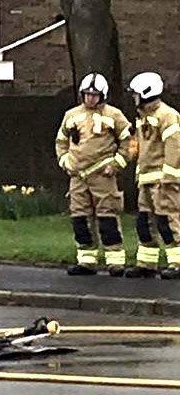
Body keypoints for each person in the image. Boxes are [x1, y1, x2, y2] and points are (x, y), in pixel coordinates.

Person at [54, 73, 132, 276]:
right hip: (78, 177)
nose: (90, 98)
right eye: (87, 94)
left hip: (102, 175)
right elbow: (61, 141)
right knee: (80, 219)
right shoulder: (71, 115)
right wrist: (65, 161)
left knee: (107, 218)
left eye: (94, 95)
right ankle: (86, 261)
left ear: (102, 95)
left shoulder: (114, 115)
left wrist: (117, 164)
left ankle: (115, 262)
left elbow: (129, 143)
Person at [125, 72, 180, 278]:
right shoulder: (143, 117)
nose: (134, 98)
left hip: (162, 180)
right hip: (147, 178)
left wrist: (170, 177)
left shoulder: (167, 115)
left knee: (168, 220)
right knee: (144, 223)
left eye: (136, 94)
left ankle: (177, 263)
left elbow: (175, 147)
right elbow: (140, 146)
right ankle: (147, 264)